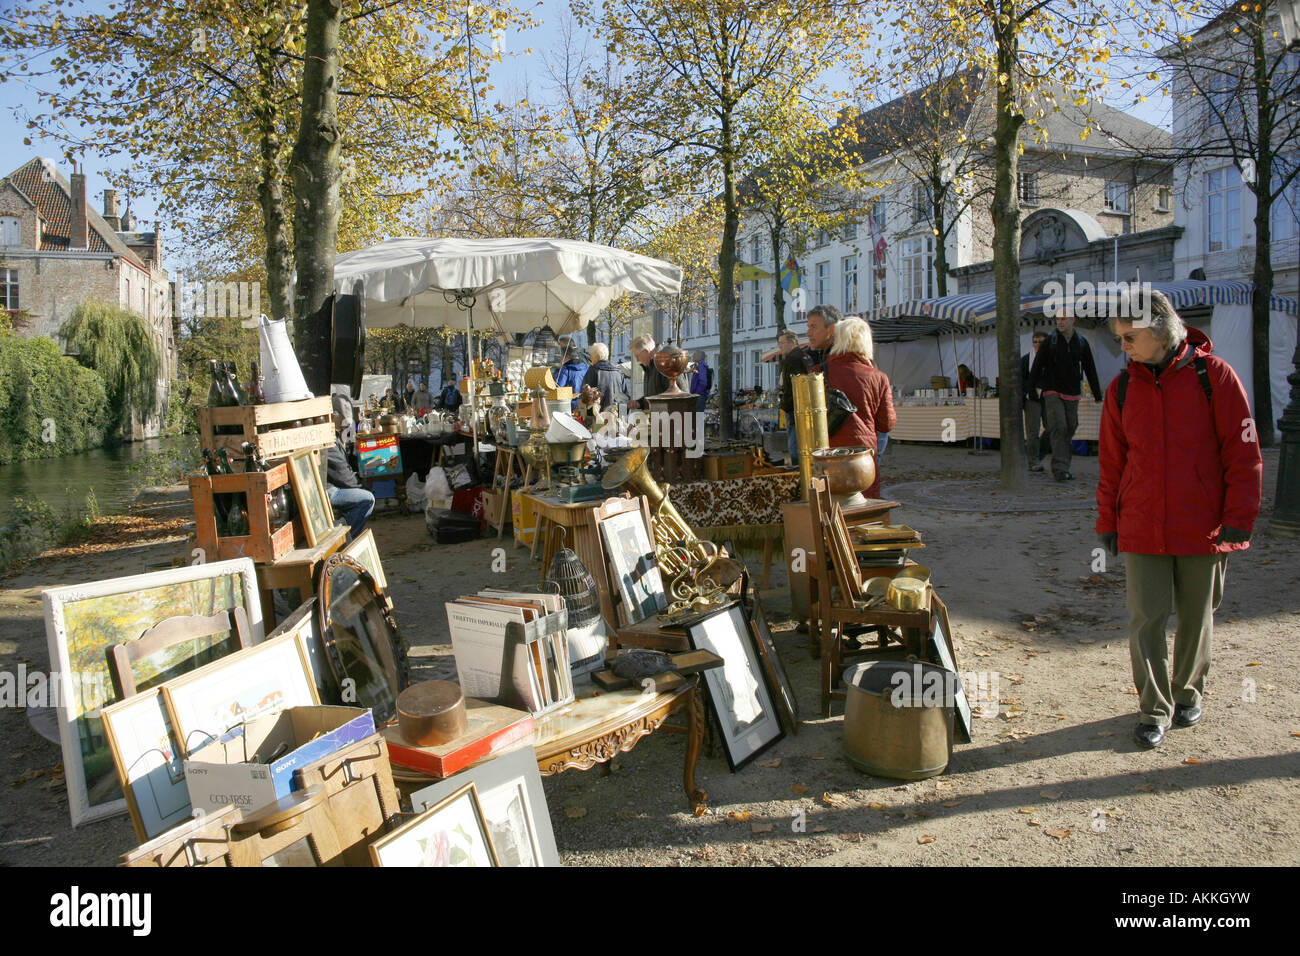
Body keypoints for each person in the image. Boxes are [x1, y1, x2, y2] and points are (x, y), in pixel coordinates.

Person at [1096, 290, 1261, 750]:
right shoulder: (1121, 388)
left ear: (1161, 331)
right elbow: (1112, 463)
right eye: (1119, 337)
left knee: (1196, 616)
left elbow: (1243, 454)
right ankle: (1153, 708)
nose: (1123, 346)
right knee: (1146, 620)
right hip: (1141, 523)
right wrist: (1108, 521)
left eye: (1130, 337)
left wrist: (1239, 517)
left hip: (1202, 525)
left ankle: (1187, 693)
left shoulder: (1216, 377)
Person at [823, 316, 896, 499]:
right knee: (864, 505)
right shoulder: (879, 377)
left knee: (830, 504)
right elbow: (886, 424)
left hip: (828, 454)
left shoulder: (818, 372)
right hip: (863, 457)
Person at [1030, 309, 1102, 480]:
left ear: (1073, 320)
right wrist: (1031, 389)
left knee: (1070, 426)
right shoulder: (1050, 341)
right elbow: (1037, 365)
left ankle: (1041, 451)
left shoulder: (1081, 342)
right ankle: (1060, 468)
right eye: (1058, 319)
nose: (1060, 322)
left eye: (1064, 319)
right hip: (1052, 390)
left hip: (1072, 391)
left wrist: (1097, 393)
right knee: (1059, 426)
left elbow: (1090, 368)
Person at [326, 412, 375, 540]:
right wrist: (360, 487)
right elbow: (342, 473)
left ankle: (344, 529)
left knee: (364, 495)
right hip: (329, 490)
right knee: (367, 499)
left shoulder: (334, 436)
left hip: (333, 486)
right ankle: (345, 539)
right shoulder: (327, 441)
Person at [777, 330, 813, 465]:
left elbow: (792, 388)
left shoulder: (792, 359)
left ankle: (798, 473)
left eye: (782, 343)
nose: (780, 346)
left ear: (792, 342)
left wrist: (785, 404)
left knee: (795, 448)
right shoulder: (805, 356)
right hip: (804, 408)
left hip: (795, 409)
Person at [627, 334, 683, 410]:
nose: (637, 360)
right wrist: (639, 403)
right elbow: (653, 396)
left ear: (646, 351)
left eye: (637, 356)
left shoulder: (665, 364)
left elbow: (677, 397)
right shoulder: (650, 368)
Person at [1021, 331, 1048, 471]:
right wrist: (1028, 392)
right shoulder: (1026, 360)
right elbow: (1021, 379)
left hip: (1048, 397)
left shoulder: (1052, 359)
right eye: (1035, 341)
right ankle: (1033, 461)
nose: (1037, 344)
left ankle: (1038, 454)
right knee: (1033, 431)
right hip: (1032, 398)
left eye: (1041, 342)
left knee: (1052, 427)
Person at [580, 342, 629, 412]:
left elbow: (586, 395)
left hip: (599, 414)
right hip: (617, 412)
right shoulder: (618, 372)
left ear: (597, 356)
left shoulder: (593, 370)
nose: (590, 358)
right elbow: (625, 396)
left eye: (591, 355)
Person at [554, 338, 590, 411]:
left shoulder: (565, 369)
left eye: (560, 356)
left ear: (566, 356)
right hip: (585, 404)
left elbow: (558, 389)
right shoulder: (586, 366)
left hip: (569, 405)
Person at [805, 304, 842, 370]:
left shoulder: (842, 362)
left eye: (814, 327)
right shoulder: (826, 355)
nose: (808, 334)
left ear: (831, 329)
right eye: (809, 327)